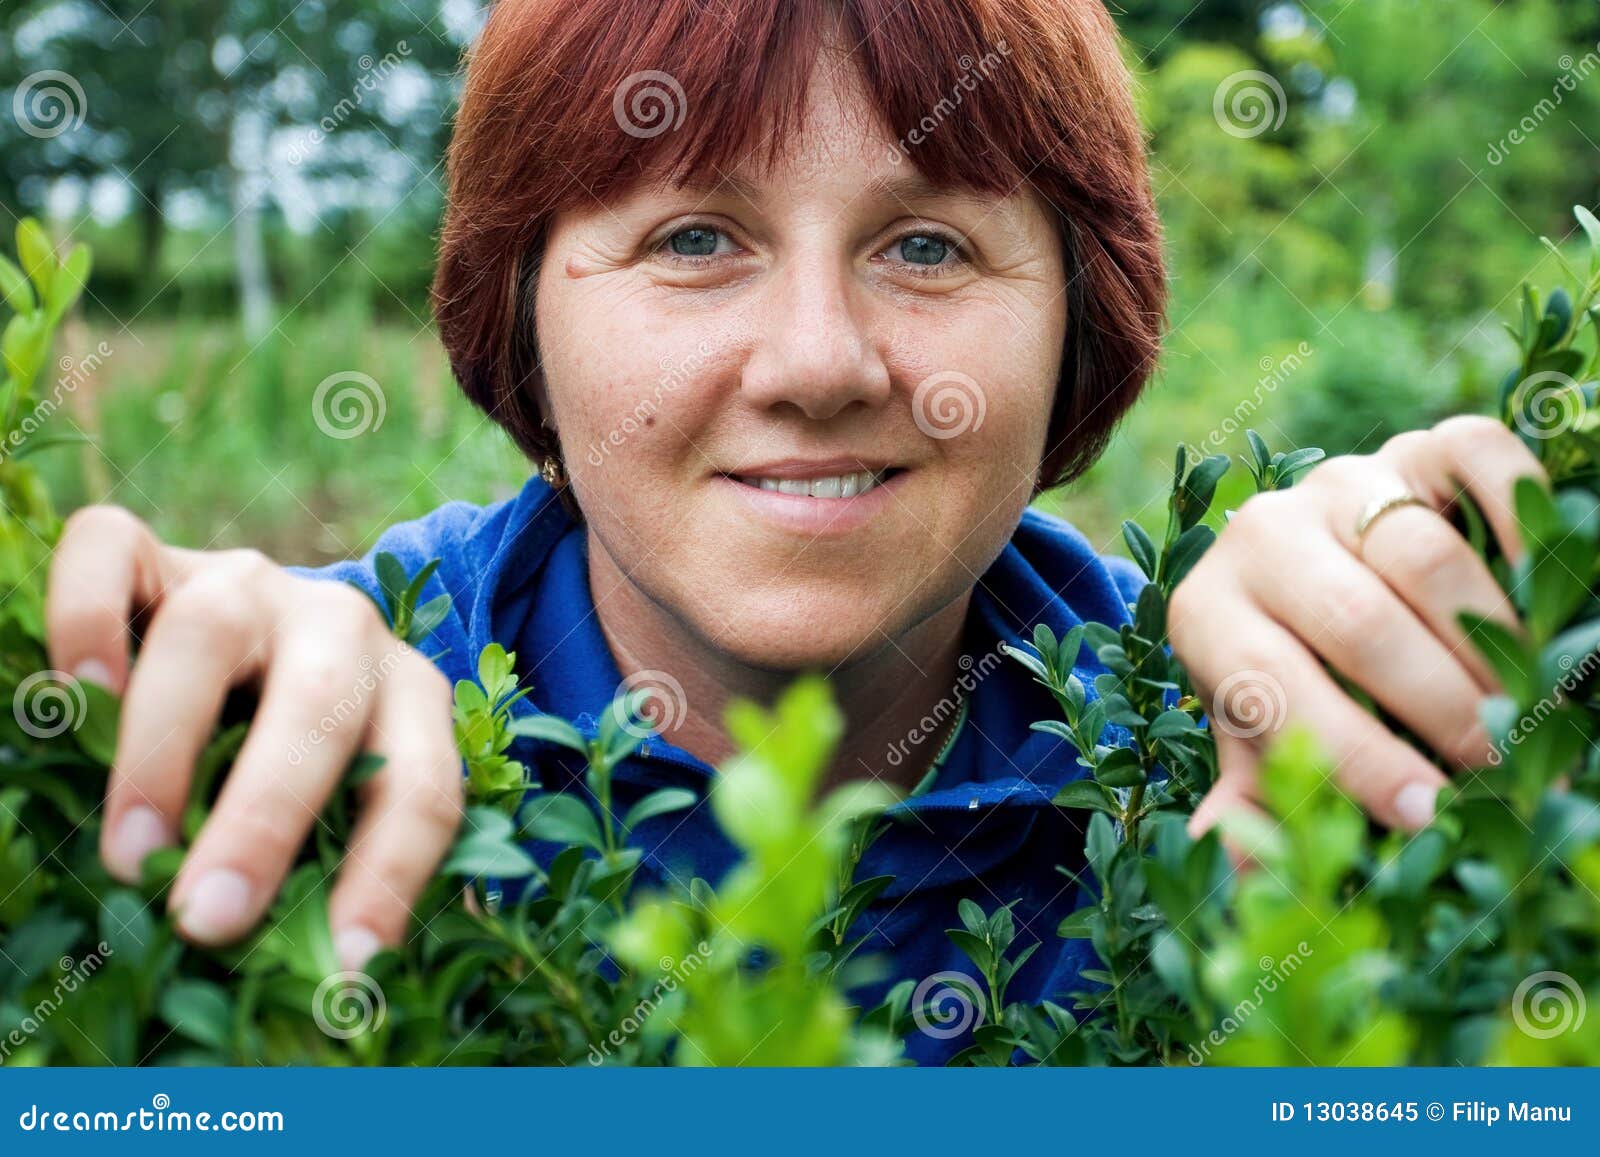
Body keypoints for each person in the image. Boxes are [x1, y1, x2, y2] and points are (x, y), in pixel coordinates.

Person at [44, 0, 1539, 1063]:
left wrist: (1422, 642)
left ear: (1081, 324)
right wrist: (206, 706)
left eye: (927, 243)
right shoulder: (323, 711)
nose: (820, 362)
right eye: (695, 238)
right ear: (521, 312)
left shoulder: (1214, 742)